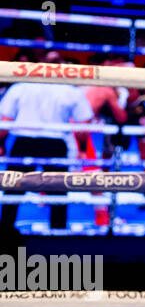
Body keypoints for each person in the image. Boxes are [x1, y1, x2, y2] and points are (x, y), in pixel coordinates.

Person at [0, 50, 94, 236]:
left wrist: (1, 143)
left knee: (14, 190)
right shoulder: (69, 90)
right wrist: (82, 148)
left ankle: (4, 232)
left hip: (24, 141)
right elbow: (84, 124)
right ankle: (57, 234)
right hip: (54, 143)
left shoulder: (21, 86)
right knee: (57, 192)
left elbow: (5, 119)